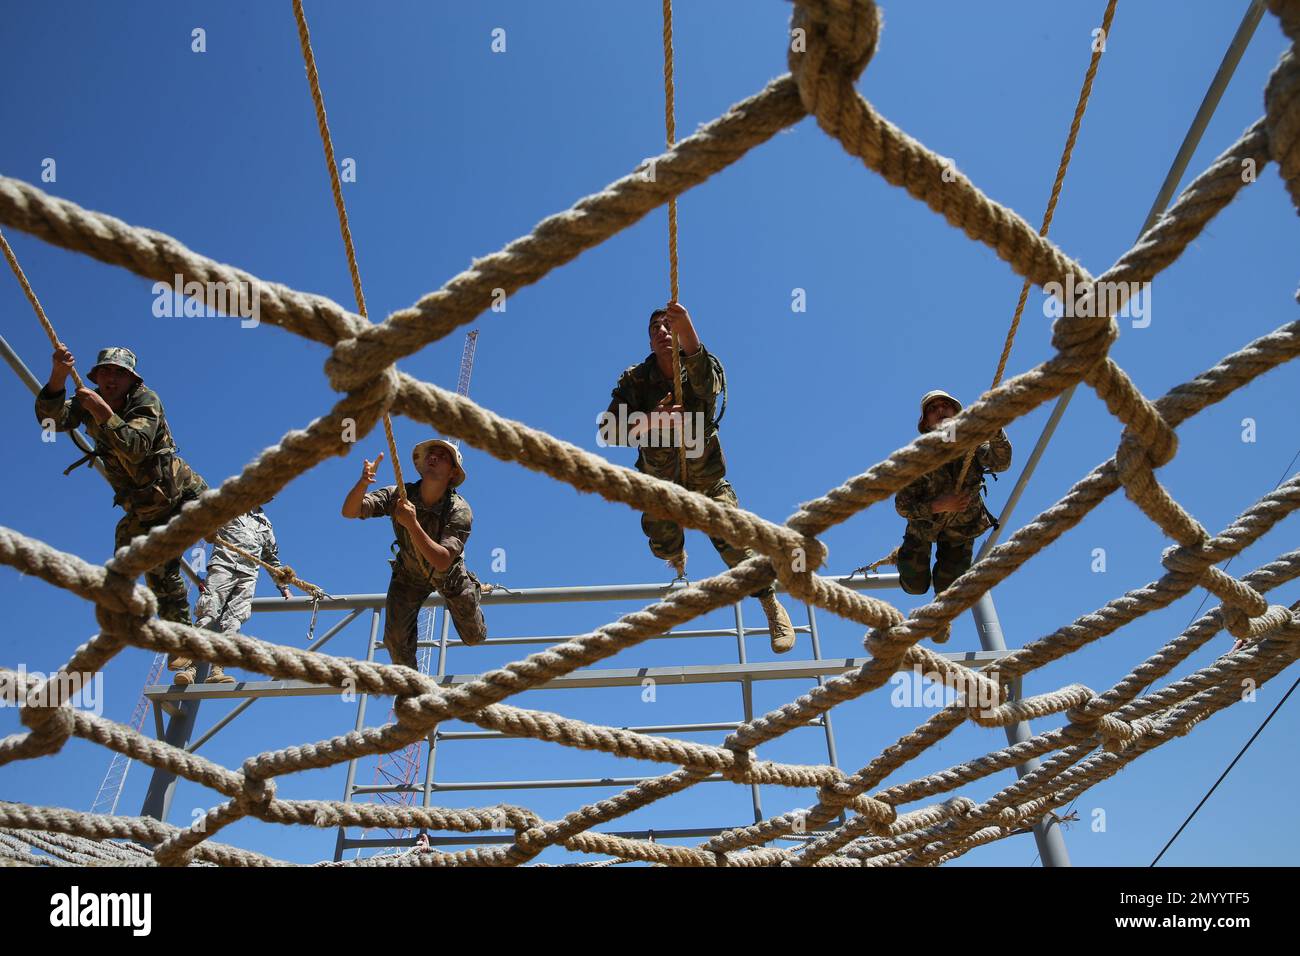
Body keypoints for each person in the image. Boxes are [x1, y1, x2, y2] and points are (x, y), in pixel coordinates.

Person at [602, 302, 797, 653]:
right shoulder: (635, 380)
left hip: (705, 481)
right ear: (649, 343)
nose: (662, 332)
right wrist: (652, 420)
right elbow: (607, 430)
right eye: (655, 330)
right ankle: (678, 564)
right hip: (661, 487)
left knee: (735, 540)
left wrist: (688, 330)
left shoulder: (698, 367)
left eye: (667, 326)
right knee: (663, 544)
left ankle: (770, 604)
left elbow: (709, 385)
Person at [35, 346, 208, 683]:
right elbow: (49, 421)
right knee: (125, 564)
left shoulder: (144, 400)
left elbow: (136, 446)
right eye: (106, 372)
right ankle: (165, 638)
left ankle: (190, 645)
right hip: (143, 505)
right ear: (96, 376)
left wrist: (103, 412)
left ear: (131, 379)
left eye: (119, 373)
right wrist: (57, 376)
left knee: (173, 565)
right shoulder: (88, 402)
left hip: (180, 494)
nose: (111, 379)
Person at [340, 439, 487, 668]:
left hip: (449, 577)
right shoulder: (400, 495)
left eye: (442, 456)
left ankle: (473, 586)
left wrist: (412, 524)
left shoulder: (459, 509)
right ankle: (414, 688)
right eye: (431, 454)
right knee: (395, 639)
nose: (433, 457)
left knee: (474, 638)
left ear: (452, 473)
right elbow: (350, 511)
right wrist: (363, 483)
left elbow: (441, 560)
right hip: (409, 575)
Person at [894, 390, 1012, 600]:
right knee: (914, 586)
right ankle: (903, 557)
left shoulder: (972, 446)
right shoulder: (918, 457)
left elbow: (1001, 463)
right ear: (926, 424)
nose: (940, 410)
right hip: (924, 528)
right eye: (932, 409)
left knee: (949, 595)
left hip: (961, 529)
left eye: (945, 406)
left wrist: (995, 431)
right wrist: (937, 506)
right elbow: (903, 506)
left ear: (957, 413)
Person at [193, 505, 293, 683]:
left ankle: (217, 670)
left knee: (233, 622)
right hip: (223, 566)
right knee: (208, 615)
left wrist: (283, 587)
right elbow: (204, 520)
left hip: (248, 575)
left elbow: (271, 559)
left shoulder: (265, 524)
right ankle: (190, 667)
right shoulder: (230, 503)